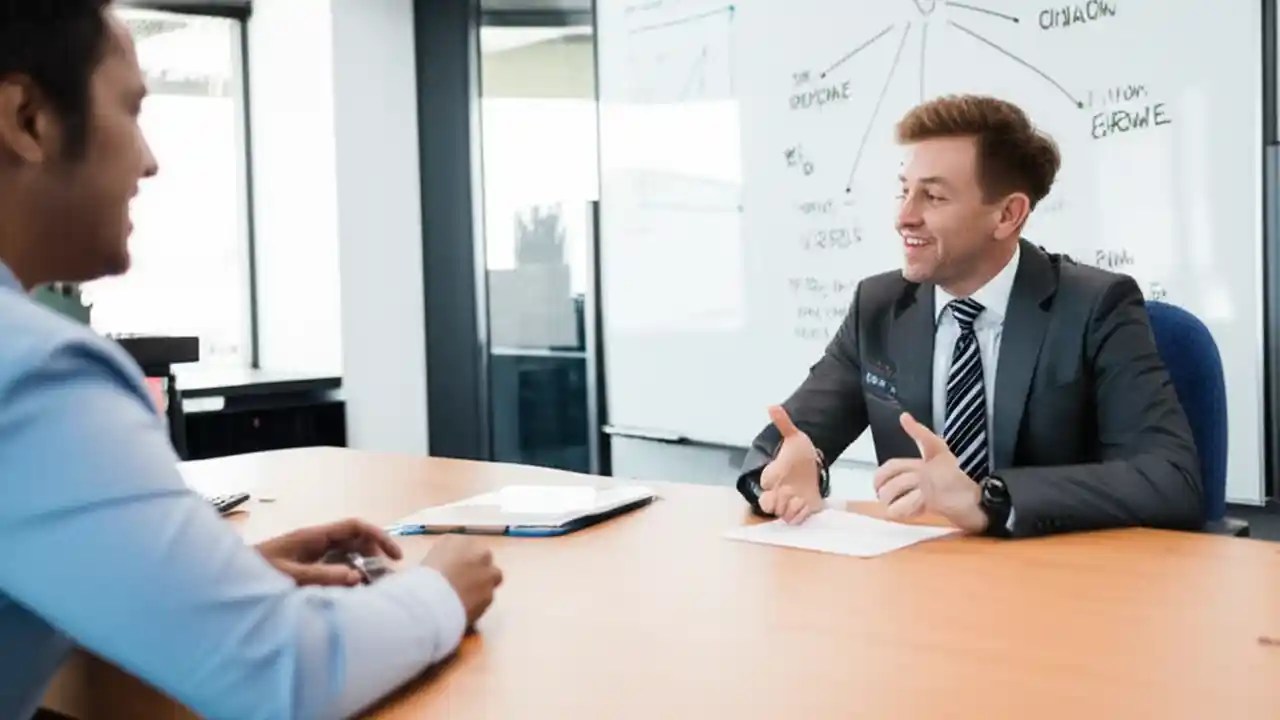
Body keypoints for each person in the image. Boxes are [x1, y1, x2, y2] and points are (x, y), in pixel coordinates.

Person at [0, 2, 502, 718]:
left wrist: (207, 581)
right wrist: (439, 592)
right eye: (132, 109)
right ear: (26, 119)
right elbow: (279, 676)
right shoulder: (37, 372)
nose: (149, 160)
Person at [737, 94, 1203, 538]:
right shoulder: (878, 307)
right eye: (904, 191)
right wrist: (785, 477)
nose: (904, 217)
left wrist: (988, 500)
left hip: (1060, 584)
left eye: (933, 198)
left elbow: (1169, 479)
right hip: (921, 584)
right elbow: (784, 441)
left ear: (1007, 215)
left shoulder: (1096, 306)